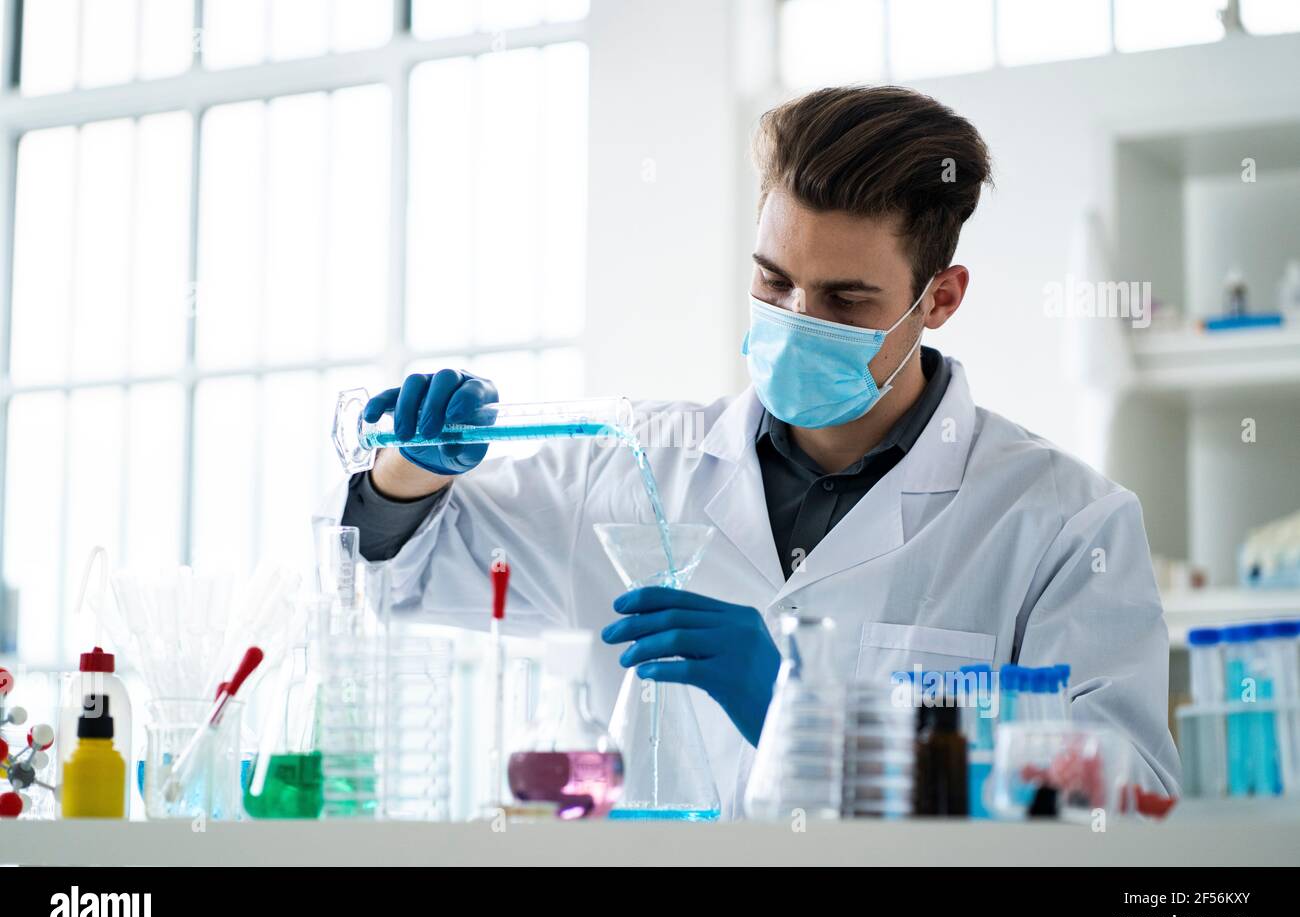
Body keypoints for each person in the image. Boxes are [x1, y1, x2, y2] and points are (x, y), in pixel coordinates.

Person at [317, 86, 1181, 815]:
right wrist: (414, 470)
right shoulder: (635, 466)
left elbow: (1130, 805)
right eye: (774, 281)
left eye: (845, 299)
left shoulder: (1063, 523)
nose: (797, 319)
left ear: (941, 298)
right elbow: (396, 581)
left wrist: (813, 718)